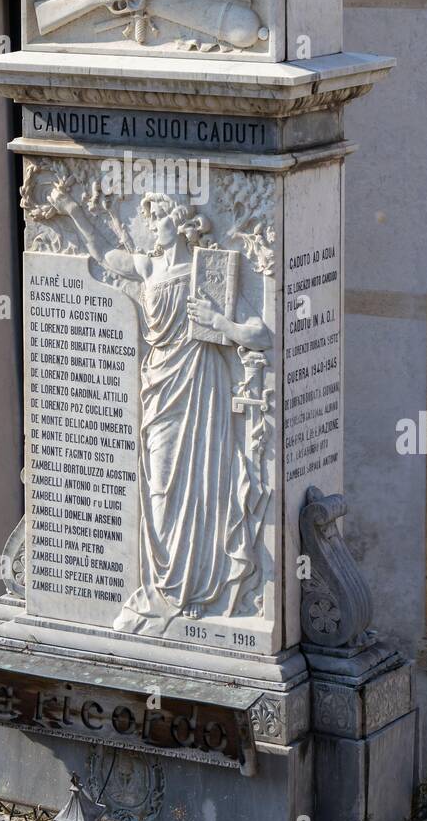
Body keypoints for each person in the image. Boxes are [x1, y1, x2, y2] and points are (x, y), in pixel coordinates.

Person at [48, 184, 269, 635]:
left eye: (158, 217)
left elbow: (260, 333)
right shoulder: (148, 267)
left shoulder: (207, 273)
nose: (150, 225)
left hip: (200, 388)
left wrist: (219, 323)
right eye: (147, 218)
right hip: (159, 386)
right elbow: (107, 254)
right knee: (161, 487)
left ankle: (193, 590)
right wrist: (71, 207)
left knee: (200, 483)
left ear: (182, 224)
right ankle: (166, 583)